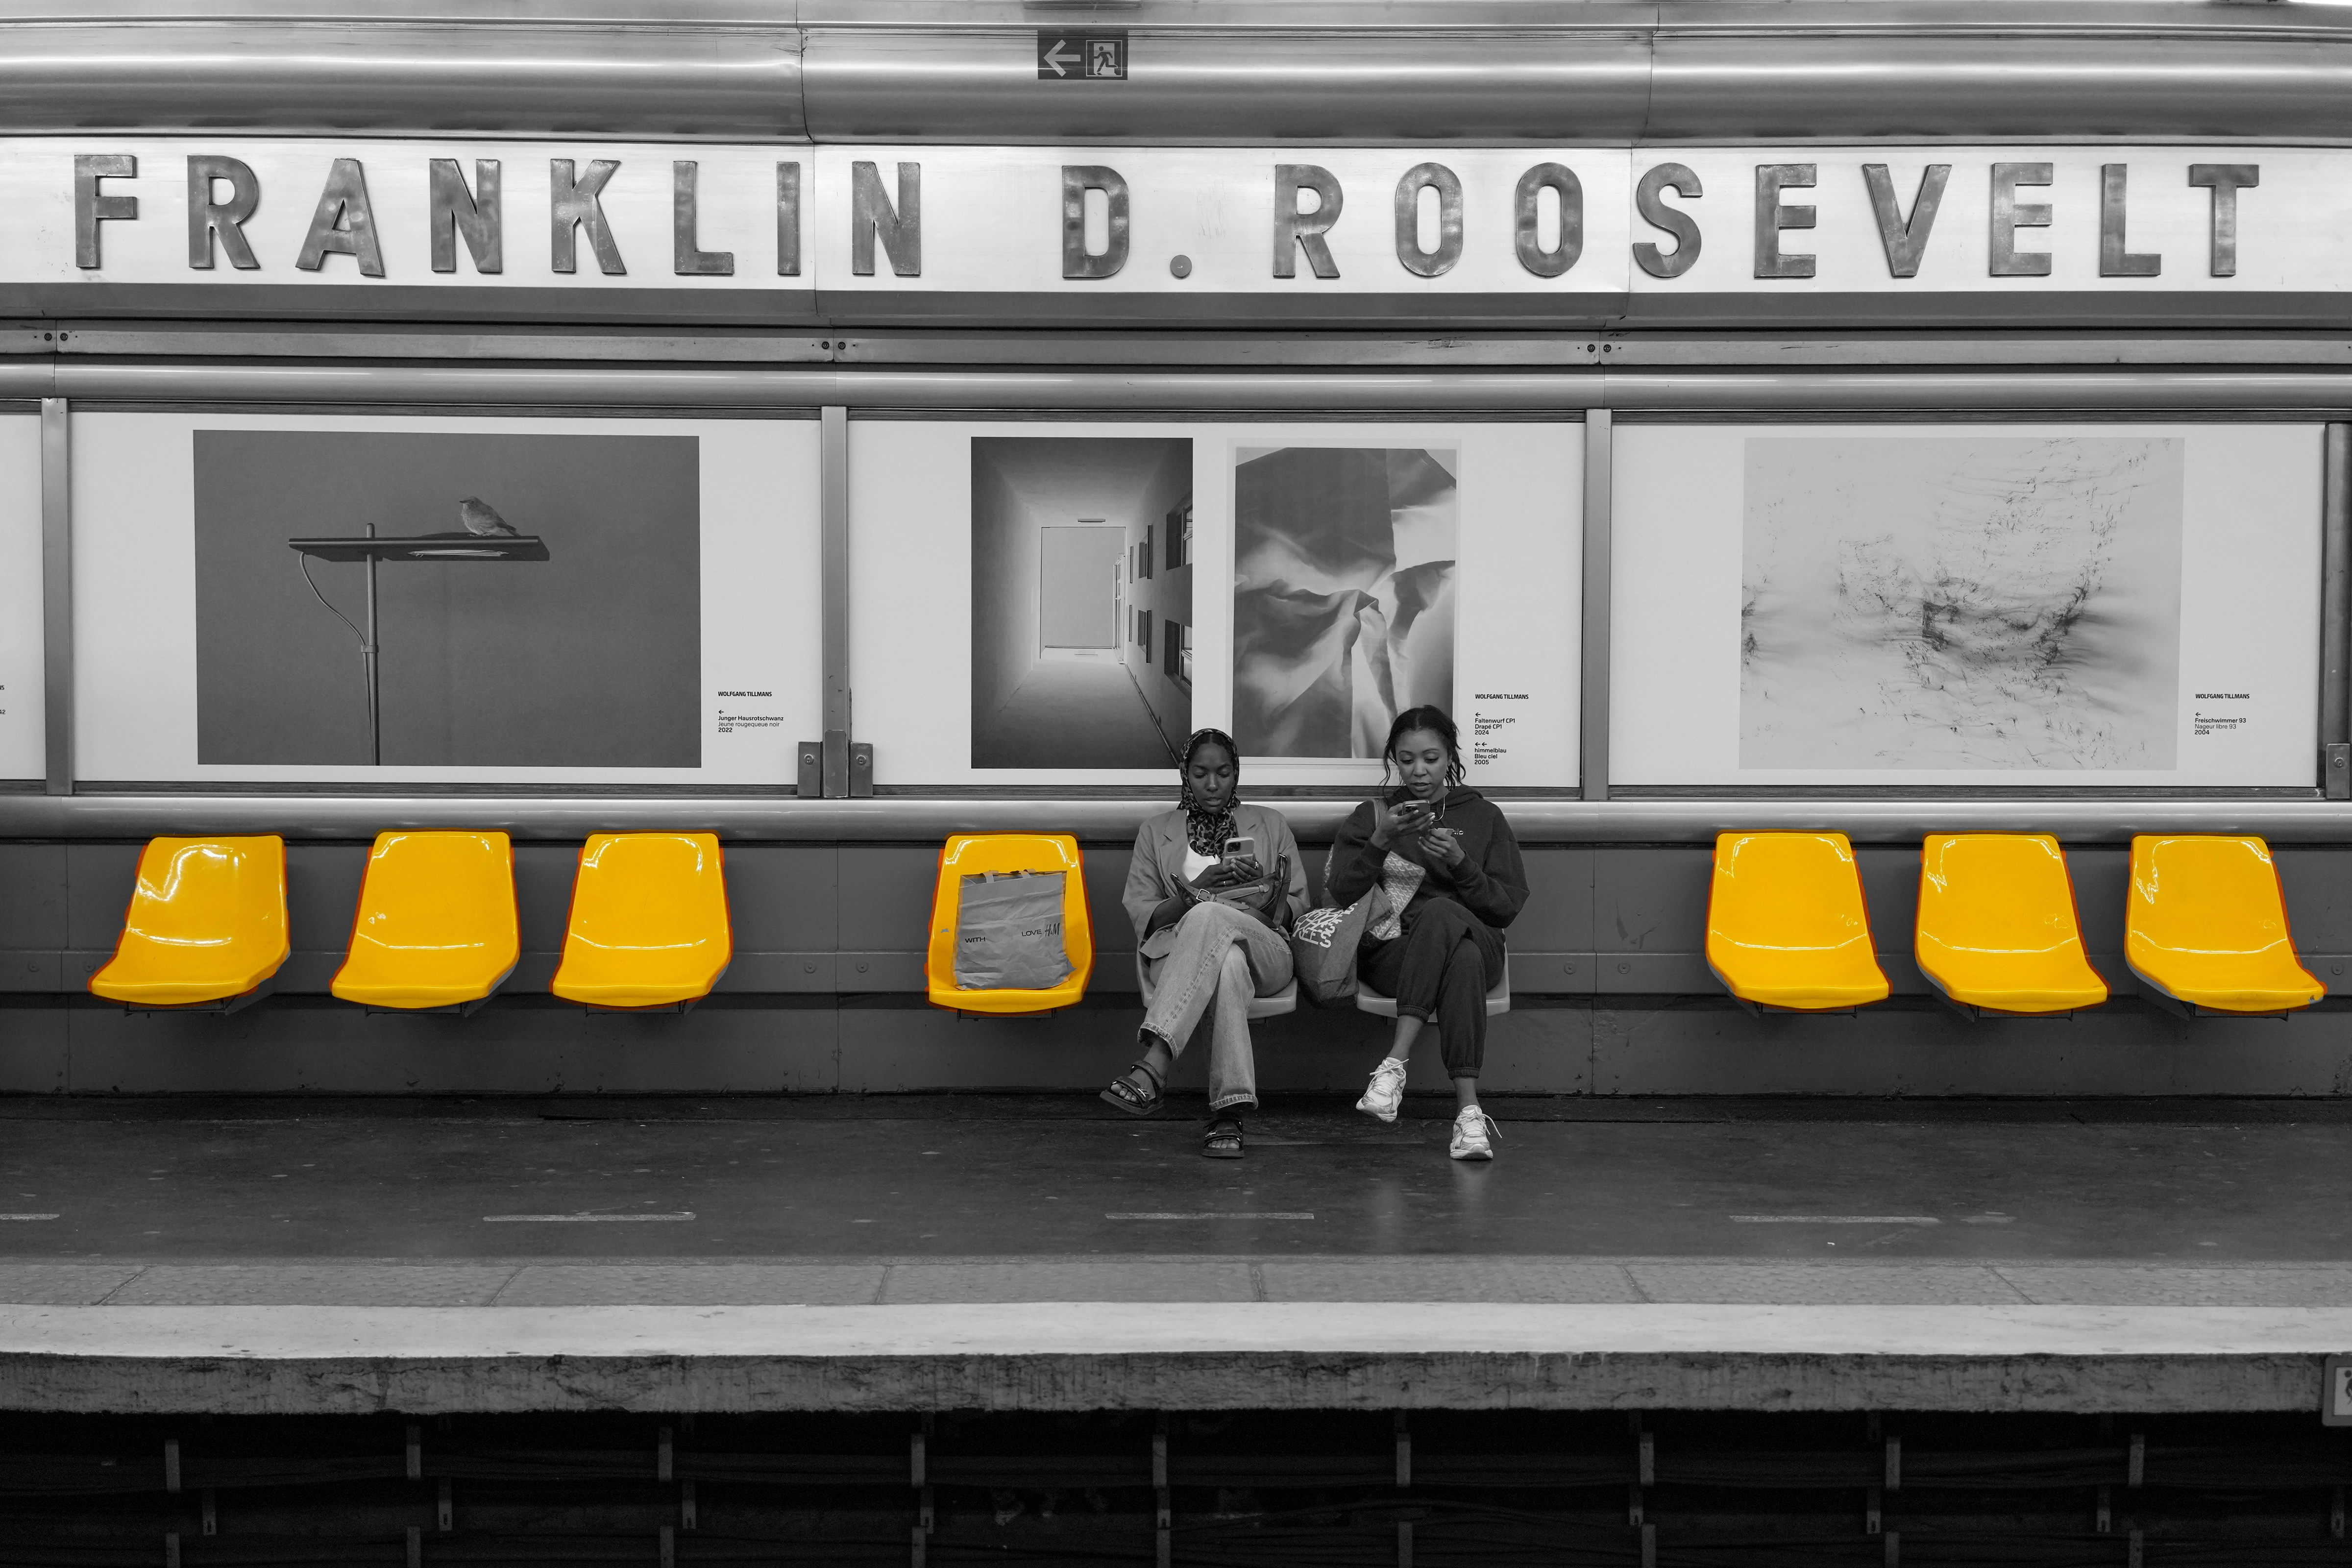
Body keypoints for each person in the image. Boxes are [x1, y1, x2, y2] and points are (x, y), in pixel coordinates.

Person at [1325, 705, 1529, 1160]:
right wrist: (1378, 843)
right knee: (1463, 961)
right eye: (1407, 759)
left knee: (1443, 915)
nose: (1419, 771)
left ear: (1451, 756)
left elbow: (1506, 907)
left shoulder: (1484, 816)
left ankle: (1393, 1065)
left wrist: (1461, 863)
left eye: (1432, 759)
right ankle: (1469, 1114)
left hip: (1480, 938)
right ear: (1393, 759)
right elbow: (1341, 893)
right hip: (1396, 954)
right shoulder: (1374, 816)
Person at [1103, 728, 1307, 1158]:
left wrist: (1265, 895)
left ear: (1237, 774)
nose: (1213, 785)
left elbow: (1299, 909)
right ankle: (1229, 1114)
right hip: (1179, 952)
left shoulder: (1271, 824)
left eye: (1224, 773)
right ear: (1185, 774)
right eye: (1201, 774)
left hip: (1265, 950)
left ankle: (1157, 1061)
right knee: (1225, 960)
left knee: (1213, 916)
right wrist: (1192, 890)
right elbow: (1145, 917)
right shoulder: (1155, 831)